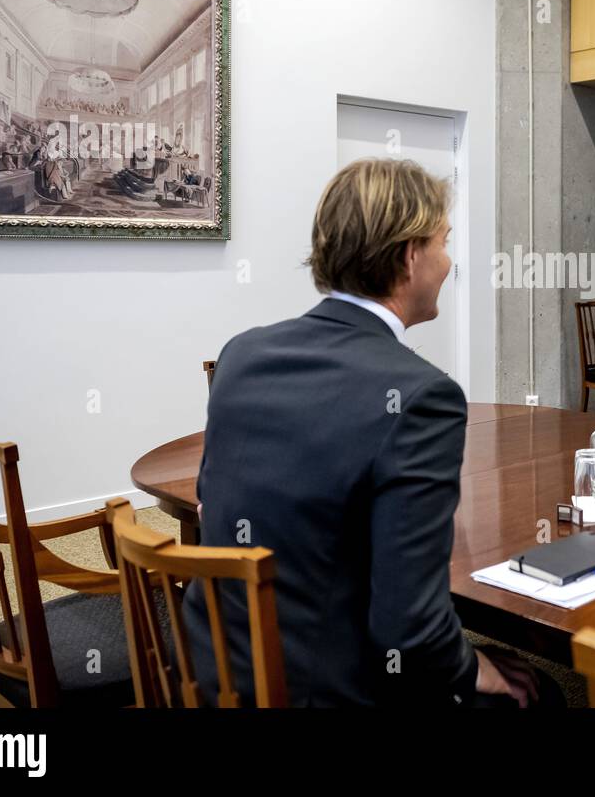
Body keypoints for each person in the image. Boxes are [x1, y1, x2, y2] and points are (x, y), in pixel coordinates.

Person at [184, 157, 546, 707]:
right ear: (410, 256)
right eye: (444, 243)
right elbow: (411, 628)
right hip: (325, 692)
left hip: (216, 669)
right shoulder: (423, 395)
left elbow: (215, 511)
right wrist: (474, 669)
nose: (450, 263)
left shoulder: (244, 353)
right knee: (533, 692)